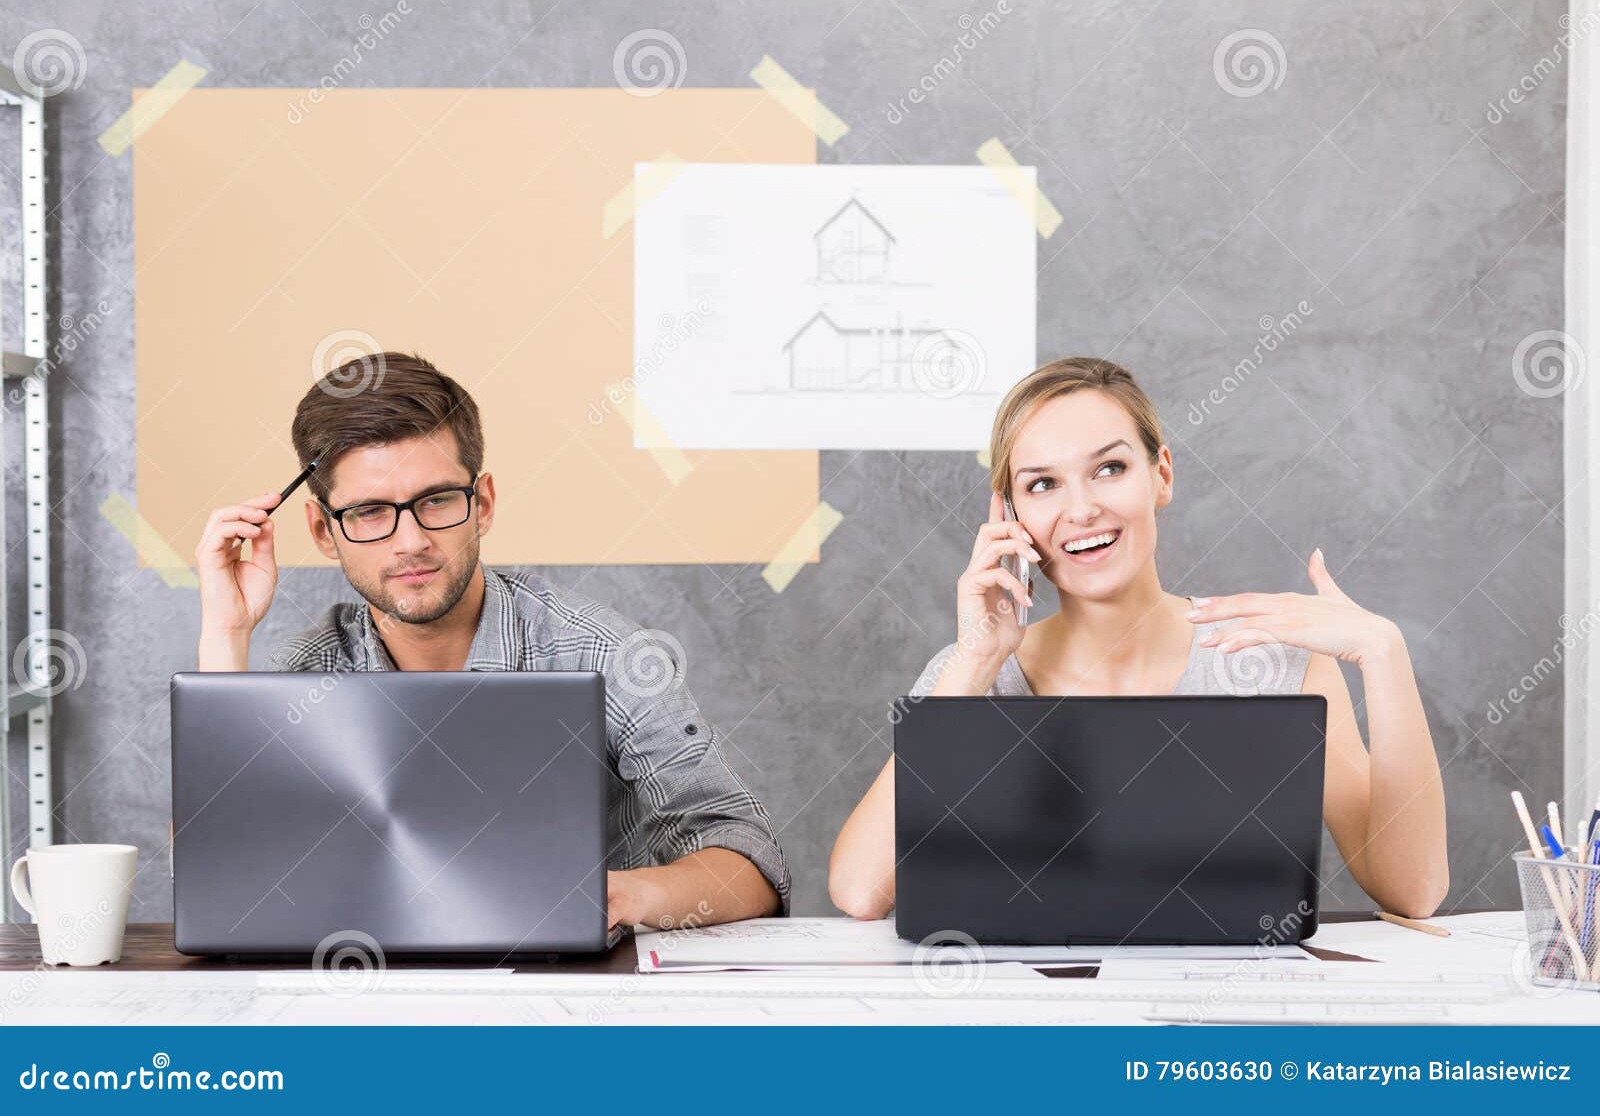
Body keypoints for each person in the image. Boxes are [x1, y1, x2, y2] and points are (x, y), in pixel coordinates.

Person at [829, 356, 1448, 921]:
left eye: (1109, 469)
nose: (1081, 509)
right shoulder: (971, 677)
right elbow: (863, 892)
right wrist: (972, 664)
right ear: (1011, 518)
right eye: (1042, 484)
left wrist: (1383, 652)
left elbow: (1411, 890)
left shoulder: (1271, 666)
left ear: (1162, 475)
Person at [195, 352, 788, 929]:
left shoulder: (605, 654)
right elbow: (221, 869)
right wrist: (227, 635)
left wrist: (621, 893)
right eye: (371, 512)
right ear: (324, 531)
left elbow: (749, 857)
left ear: (482, 505)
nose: (411, 542)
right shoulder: (306, 675)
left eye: (436, 500)